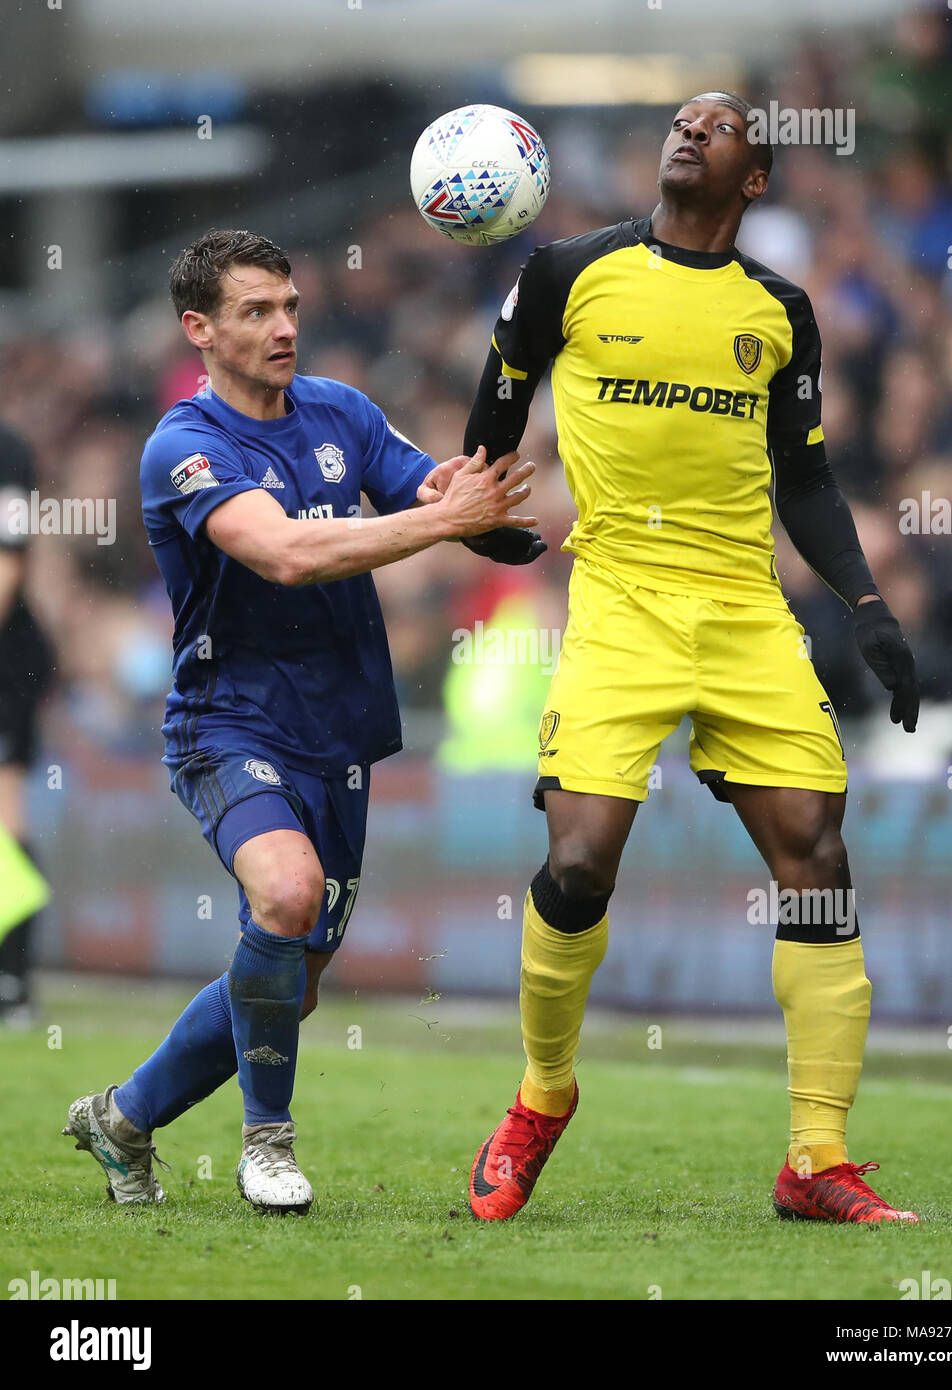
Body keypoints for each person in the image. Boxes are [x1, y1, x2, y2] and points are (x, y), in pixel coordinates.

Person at [464, 93, 922, 1225]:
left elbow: (804, 478)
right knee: (580, 862)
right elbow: (496, 410)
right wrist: (479, 511)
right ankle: (542, 1094)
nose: (690, 130)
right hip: (619, 600)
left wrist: (866, 604)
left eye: (718, 126)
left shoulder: (780, 310)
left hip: (744, 610)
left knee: (816, 852)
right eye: (682, 120)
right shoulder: (566, 272)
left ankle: (815, 1157)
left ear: (754, 177)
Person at [63, 228, 537, 1213]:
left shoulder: (341, 412)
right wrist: (440, 522)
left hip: (341, 731)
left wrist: (466, 498)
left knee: (296, 978)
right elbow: (283, 553)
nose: (283, 327)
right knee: (286, 892)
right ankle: (267, 1144)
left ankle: (123, 1118)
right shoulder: (182, 448)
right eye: (255, 311)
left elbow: (425, 488)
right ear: (199, 328)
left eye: (288, 306)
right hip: (228, 722)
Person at [0, 420, 55, 1027]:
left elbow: (6, 564)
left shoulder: (7, 450)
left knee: (4, 811)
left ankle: (11, 977)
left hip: (5, 659)